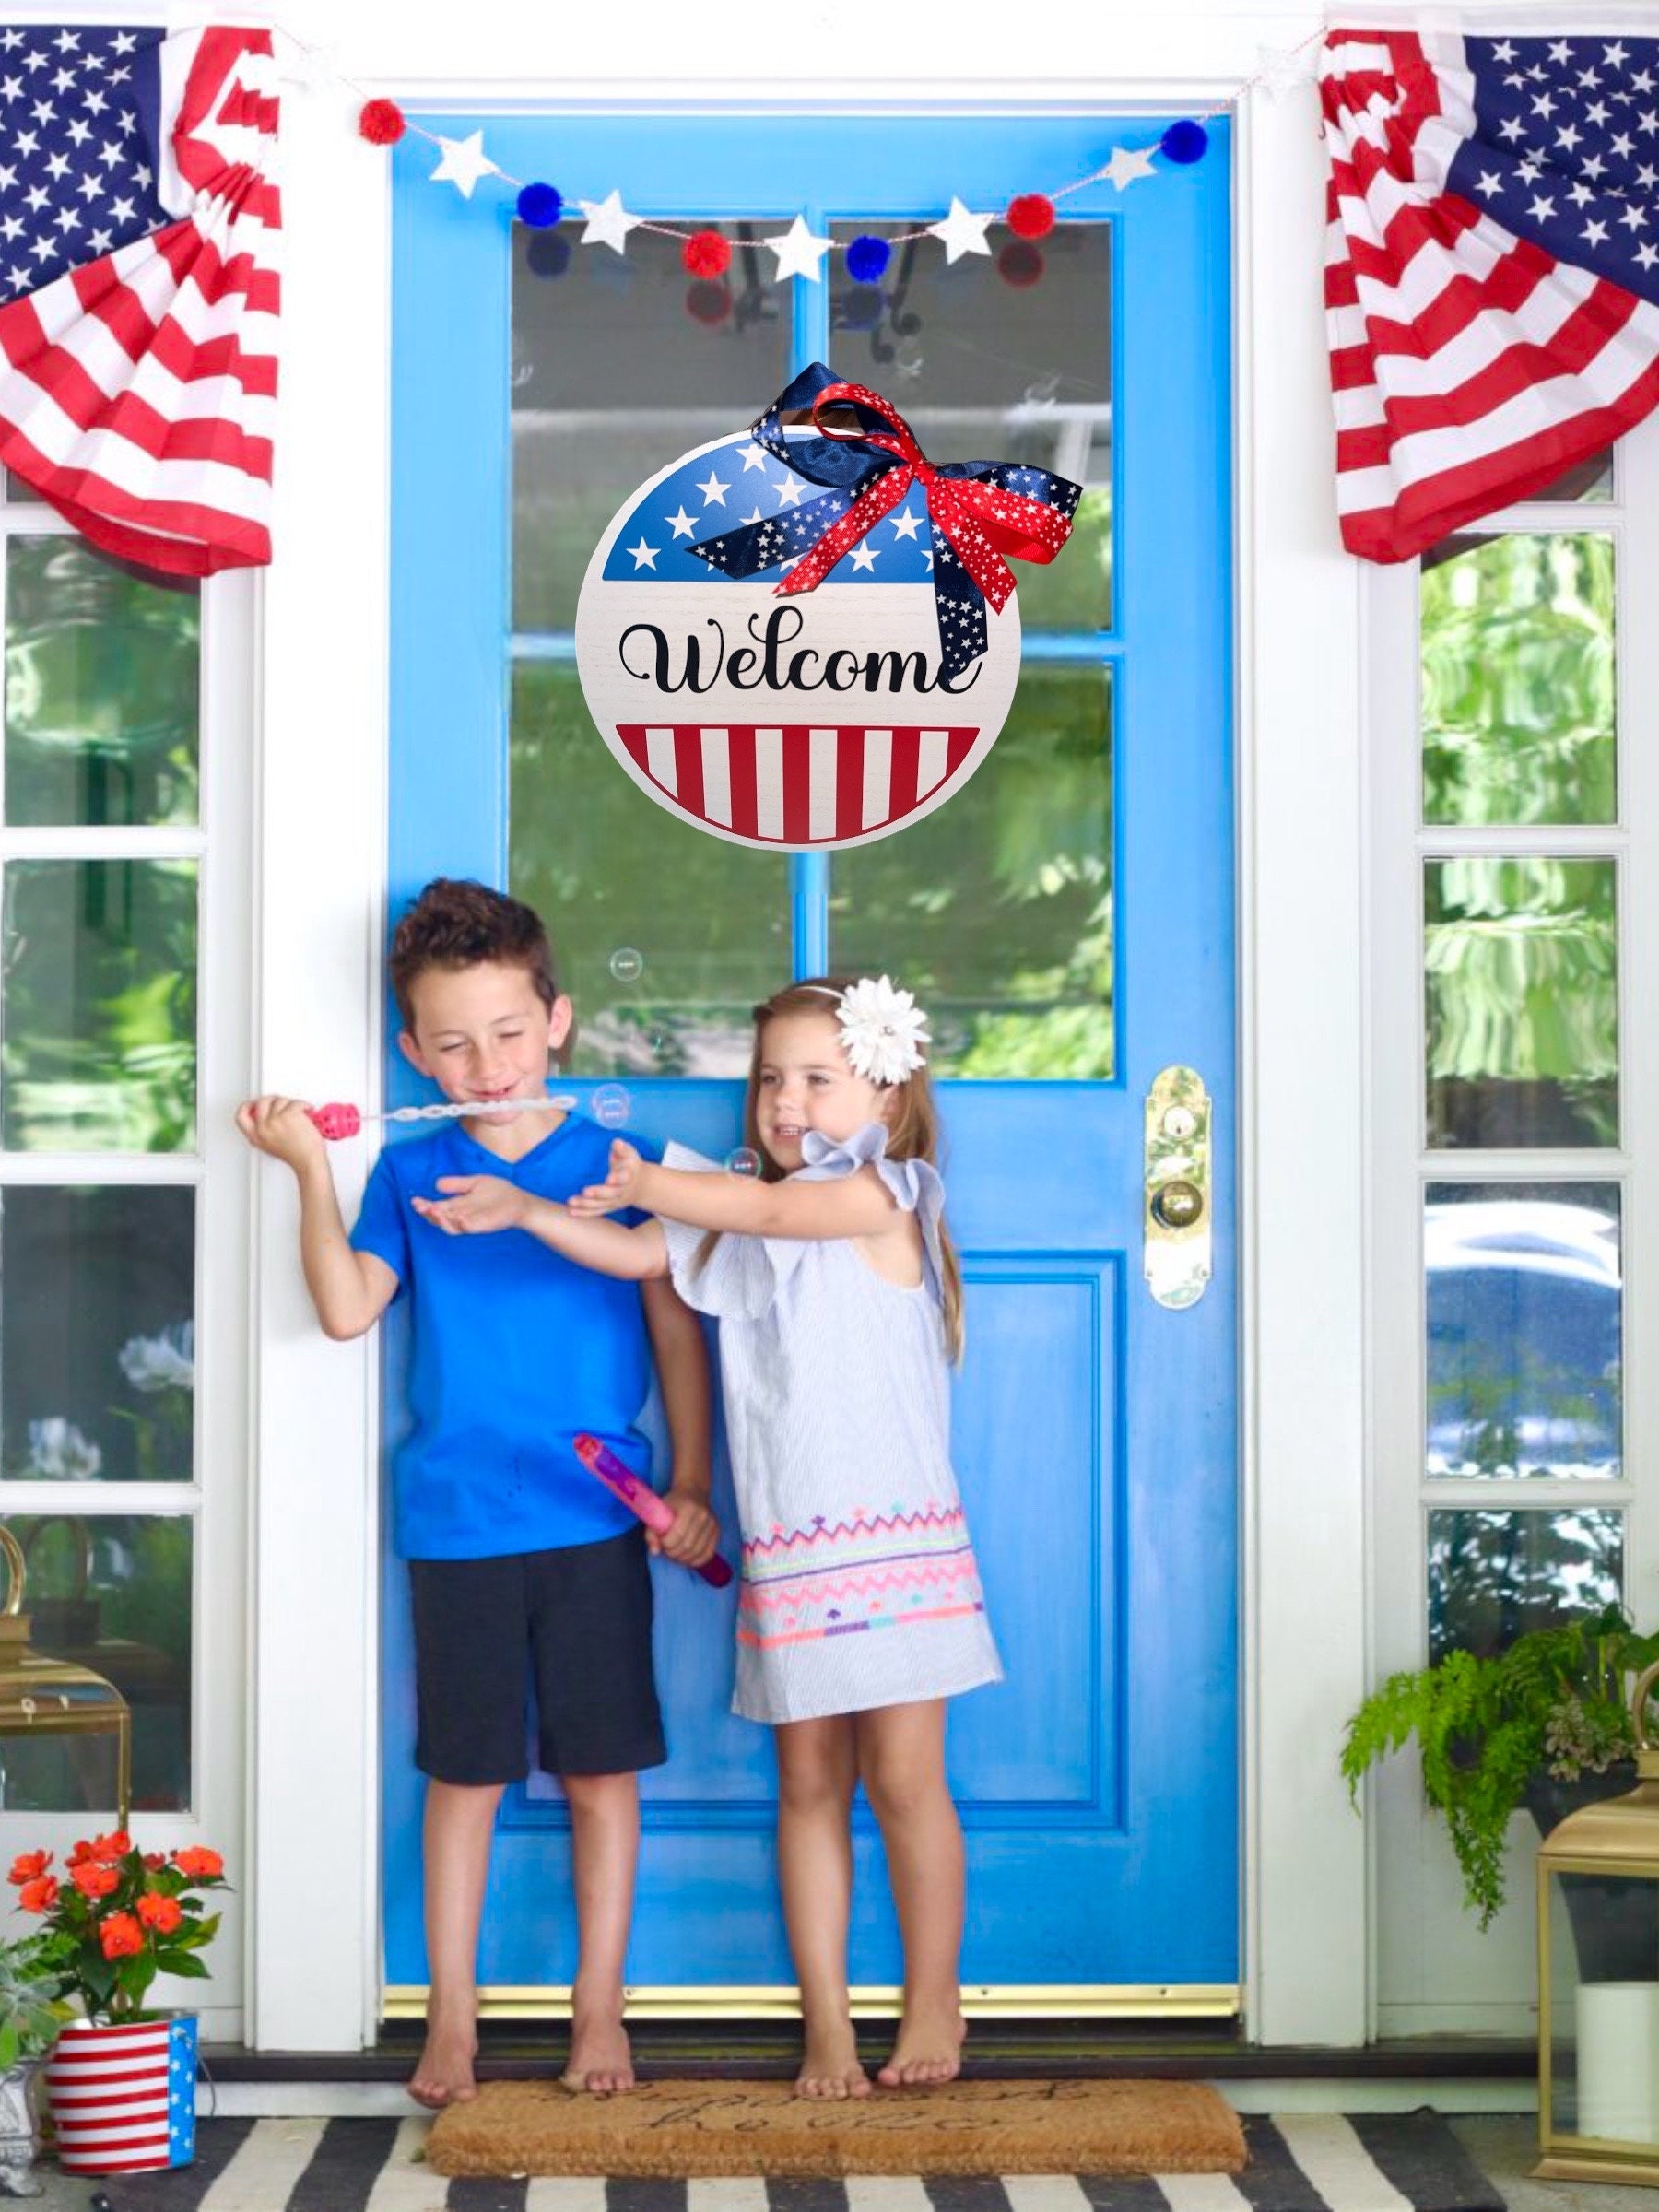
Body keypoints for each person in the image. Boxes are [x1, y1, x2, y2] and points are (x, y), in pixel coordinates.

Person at [413, 972, 1002, 2100]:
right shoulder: (740, 1205)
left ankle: (936, 1998)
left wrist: (651, 1178)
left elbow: (774, 1212)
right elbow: (646, 1260)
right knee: (810, 1787)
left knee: (908, 1781)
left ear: (886, 1085)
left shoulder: (883, 1191)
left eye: (817, 1080)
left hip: (895, 1552)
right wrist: (532, 1211)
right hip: (794, 1551)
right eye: (771, 1079)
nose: (787, 1102)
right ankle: (825, 2021)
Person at [236, 878, 715, 2108]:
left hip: (600, 1518)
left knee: (604, 1773)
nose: (486, 1065)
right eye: (451, 1044)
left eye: (508, 1033)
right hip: (458, 1524)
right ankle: (453, 2017)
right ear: (412, 1052)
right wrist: (306, 1171)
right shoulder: (405, 1166)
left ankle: (596, 2014)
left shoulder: (621, 1158)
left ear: (556, 1020)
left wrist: (693, 1480)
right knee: (468, 1774)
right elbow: (347, 1309)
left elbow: (674, 1313)